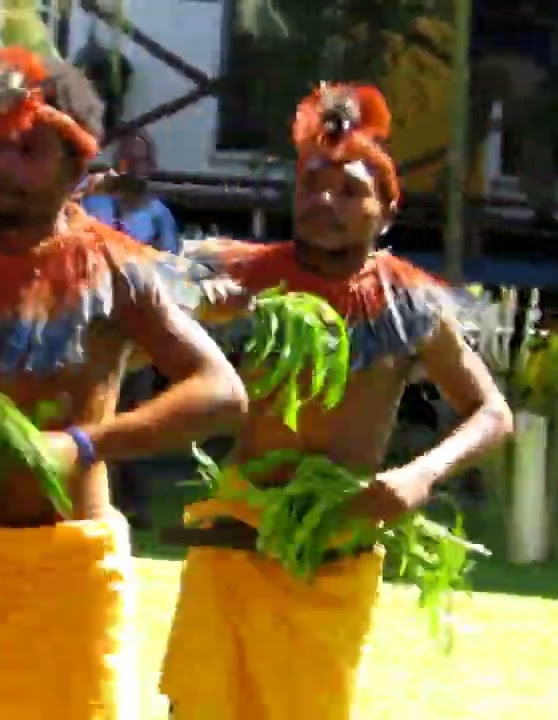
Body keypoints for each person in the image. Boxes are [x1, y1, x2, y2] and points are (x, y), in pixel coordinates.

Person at [0, 45, 247, 719]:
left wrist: (82, 444)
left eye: (28, 151)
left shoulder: (116, 271)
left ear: (78, 169)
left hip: (69, 571)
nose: (1, 166)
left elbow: (220, 391)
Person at [159, 82, 514, 720]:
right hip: (235, 540)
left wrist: (420, 474)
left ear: (386, 211)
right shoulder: (242, 278)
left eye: (349, 191)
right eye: (311, 186)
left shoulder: (410, 303)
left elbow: (493, 414)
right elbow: (134, 342)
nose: (325, 201)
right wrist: (192, 312)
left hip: (335, 549)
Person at [81, 129, 180, 528]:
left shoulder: (158, 216)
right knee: (87, 409)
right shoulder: (92, 203)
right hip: (89, 319)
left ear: (151, 167)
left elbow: (171, 267)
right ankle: (83, 495)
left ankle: (133, 503)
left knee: (136, 412)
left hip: (137, 326)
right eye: (127, 158)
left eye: (140, 160)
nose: (132, 167)